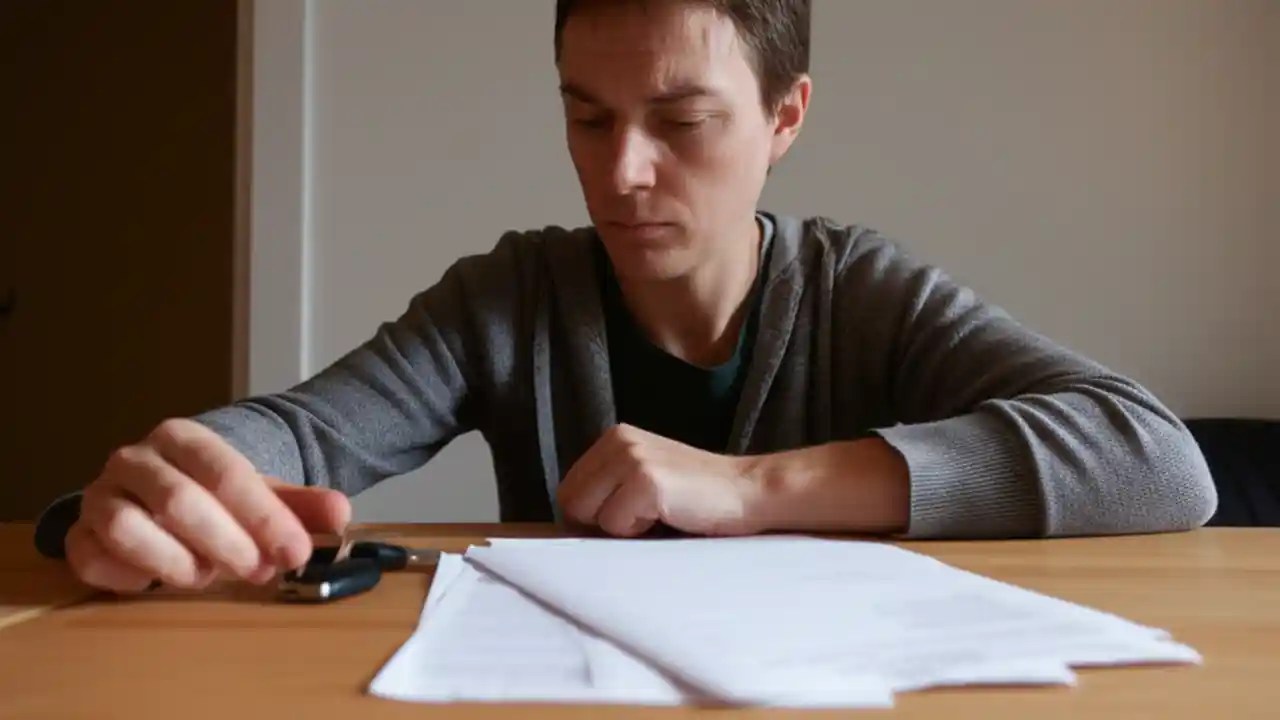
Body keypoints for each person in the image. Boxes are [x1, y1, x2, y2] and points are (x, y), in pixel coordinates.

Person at [46, 0, 1216, 594]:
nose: (620, 174)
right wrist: (189, 476)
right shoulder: (508, 298)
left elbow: (1157, 461)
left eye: (681, 122)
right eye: (587, 117)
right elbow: (305, 433)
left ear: (783, 120)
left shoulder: (863, 292)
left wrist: (749, 489)